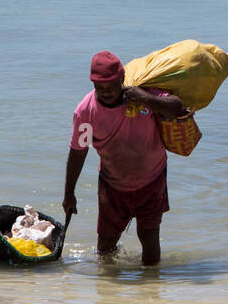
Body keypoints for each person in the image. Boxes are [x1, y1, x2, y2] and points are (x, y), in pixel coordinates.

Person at [63, 51, 188, 265]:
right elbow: (78, 152)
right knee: (105, 244)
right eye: (99, 88)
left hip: (152, 180)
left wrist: (147, 99)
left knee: (149, 238)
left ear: (122, 79)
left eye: (111, 87)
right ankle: (108, 294)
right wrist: (69, 193)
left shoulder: (141, 95)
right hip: (112, 184)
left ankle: (149, 292)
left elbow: (178, 107)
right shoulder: (86, 111)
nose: (106, 93)